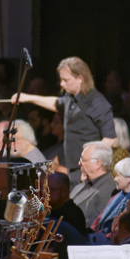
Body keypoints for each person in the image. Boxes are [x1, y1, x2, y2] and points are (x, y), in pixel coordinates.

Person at [14, 56, 114, 184]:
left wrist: (91, 167)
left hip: (87, 172)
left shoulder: (96, 102)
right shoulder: (73, 100)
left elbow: (110, 138)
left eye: (66, 80)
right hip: (73, 169)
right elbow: (57, 104)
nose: (61, 84)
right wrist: (27, 97)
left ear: (80, 79)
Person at [70, 141, 116, 225]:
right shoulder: (80, 186)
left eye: (83, 160)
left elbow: (92, 223)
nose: (79, 163)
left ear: (98, 164)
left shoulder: (109, 189)